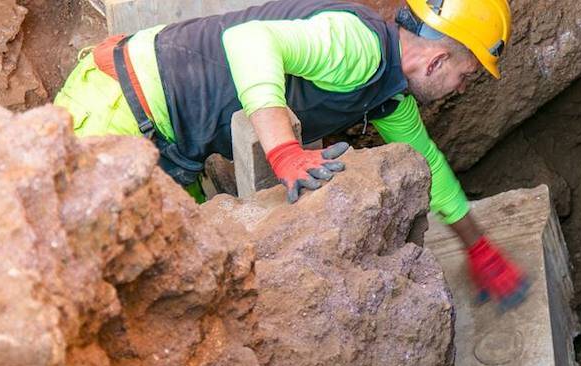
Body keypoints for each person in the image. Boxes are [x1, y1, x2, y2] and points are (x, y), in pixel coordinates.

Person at [54, 0, 529, 308]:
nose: (462, 87)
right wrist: (283, 151)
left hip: (171, 146)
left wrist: (478, 247)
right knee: (84, 283)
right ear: (437, 59)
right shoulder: (358, 46)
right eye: (467, 75)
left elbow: (430, 166)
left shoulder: (389, 93)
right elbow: (249, 40)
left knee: (198, 277)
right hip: (114, 111)